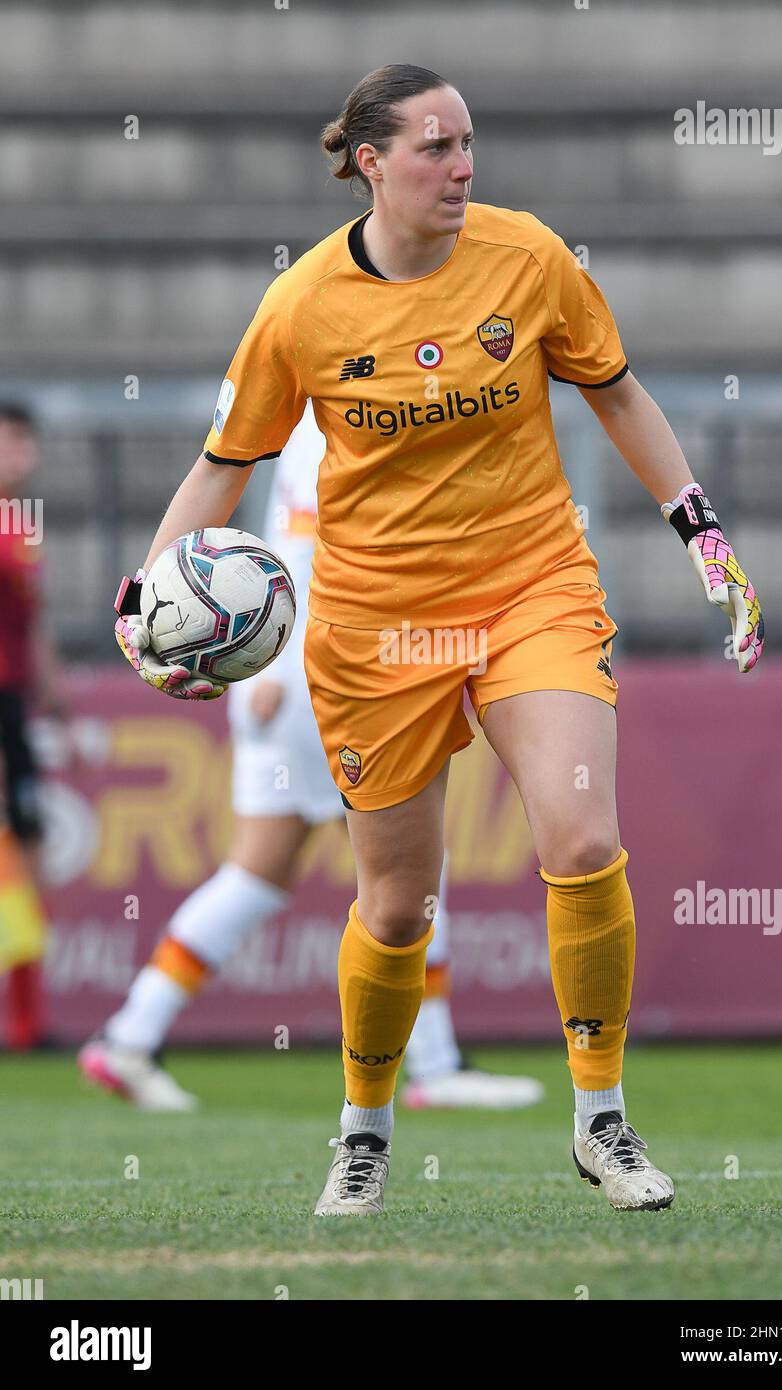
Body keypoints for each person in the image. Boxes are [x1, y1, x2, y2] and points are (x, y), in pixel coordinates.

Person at [113, 65, 764, 1215]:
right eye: (433, 148)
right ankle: (363, 1130)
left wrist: (700, 533)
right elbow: (226, 465)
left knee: (579, 837)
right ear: (368, 161)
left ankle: (601, 1120)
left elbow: (615, 393)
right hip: (374, 626)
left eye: (468, 144)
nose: (462, 168)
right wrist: (144, 600)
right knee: (398, 906)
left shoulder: (528, 257)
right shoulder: (302, 304)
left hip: (529, 589)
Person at [80, 400, 543, 1113]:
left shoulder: (306, 412)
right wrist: (277, 669)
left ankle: (131, 1037)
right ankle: (436, 1064)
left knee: (258, 871)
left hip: (281, 676)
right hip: (313, 674)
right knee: (409, 864)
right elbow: (304, 550)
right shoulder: (343, 411)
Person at [0, 403, 70, 1049]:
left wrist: (58, 707)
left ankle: (28, 1022)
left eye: (28, 440)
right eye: (11, 439)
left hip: (13, 706)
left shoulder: (22, 524)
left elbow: (36, 623)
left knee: (27, 849)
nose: (22, 452)